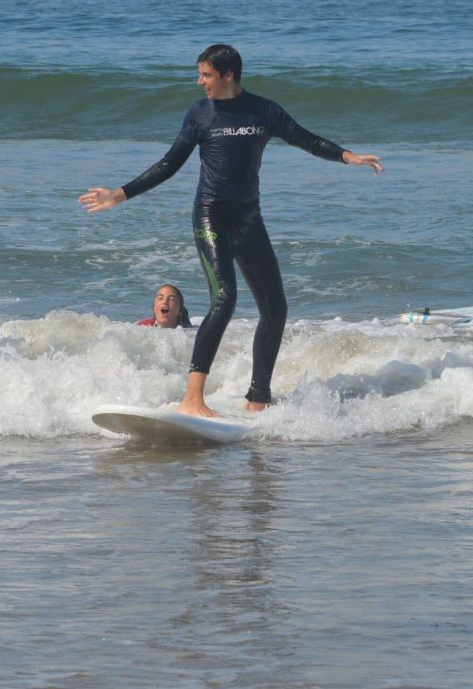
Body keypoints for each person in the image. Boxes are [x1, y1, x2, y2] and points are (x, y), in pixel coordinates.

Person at [81, 44, 382, 417]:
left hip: (248, 219)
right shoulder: (199, 114)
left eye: (206, 74)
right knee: (225, 298)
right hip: (211, 217)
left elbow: (307, 139)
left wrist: (347, 156)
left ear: (228, 75)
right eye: (200, 74)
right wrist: (119, 194)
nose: (200, 81)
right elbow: (169, 163)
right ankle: (192, 399)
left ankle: (258, 398)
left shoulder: (264, 111)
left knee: (275, 308)